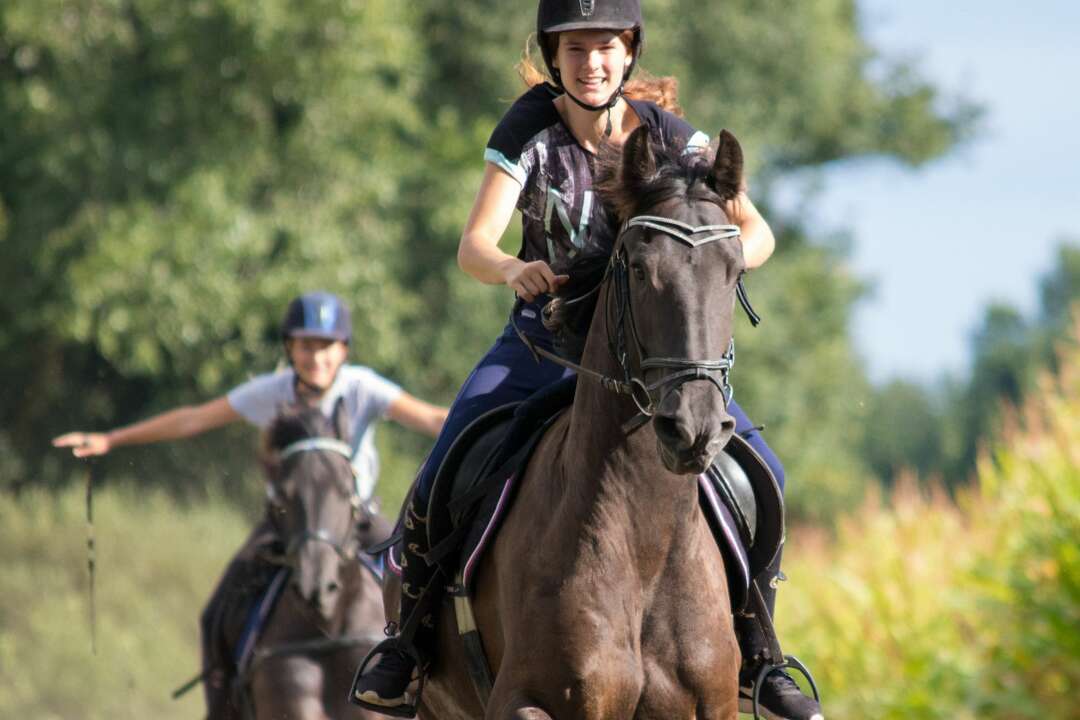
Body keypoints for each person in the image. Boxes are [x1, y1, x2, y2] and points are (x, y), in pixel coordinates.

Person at [351, 2, 823, 719]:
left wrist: (719, 260)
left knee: (765, 474)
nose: (590, 63)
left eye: (604, 47)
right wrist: (512, 269)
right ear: (553, 55)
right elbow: (473, 245)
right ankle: (407, 642)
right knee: (448, 457)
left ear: (629, 51)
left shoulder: (669, 136)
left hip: (654, 361)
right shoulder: (528, 130)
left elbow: (754, 231)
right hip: (542, 346)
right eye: (574, 49)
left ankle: (759, 649)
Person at [53, 290, 448, 720]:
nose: (315, 356)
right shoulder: (271, 392)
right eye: (305, 345)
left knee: (417, 582)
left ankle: (436, 688)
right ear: (289, 349)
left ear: (343, 350)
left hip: (355, 518)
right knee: (217, 611)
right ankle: (223, 707)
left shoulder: (363, 387)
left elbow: (431, 420)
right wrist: (111, 440)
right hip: (287, 522)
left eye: (325, 345)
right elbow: (192, 419)